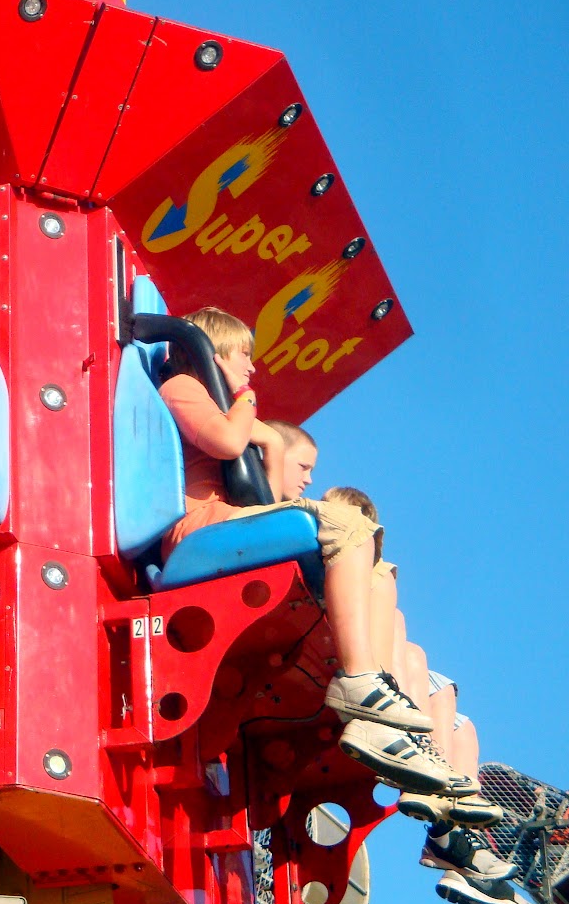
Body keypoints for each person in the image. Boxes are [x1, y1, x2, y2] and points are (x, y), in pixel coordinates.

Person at [156, 308, 465, 795]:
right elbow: (228, 441)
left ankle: (373, 705)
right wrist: (247, 404)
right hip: (197, 527)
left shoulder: (223, 406)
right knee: (347, 522)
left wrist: (268, 440)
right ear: (212, 356)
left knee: (379, 571)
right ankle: (358, 680)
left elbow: (260, 500)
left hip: (226, 520)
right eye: (243, 355)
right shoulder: (184, 387)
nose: (252, 367)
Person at [320, 486, 545, 904]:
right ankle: (448, 833)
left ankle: (457, 832)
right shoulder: (335, 546)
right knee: (415, 653)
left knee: (461, 723)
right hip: (353, 662)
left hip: (379, 665)